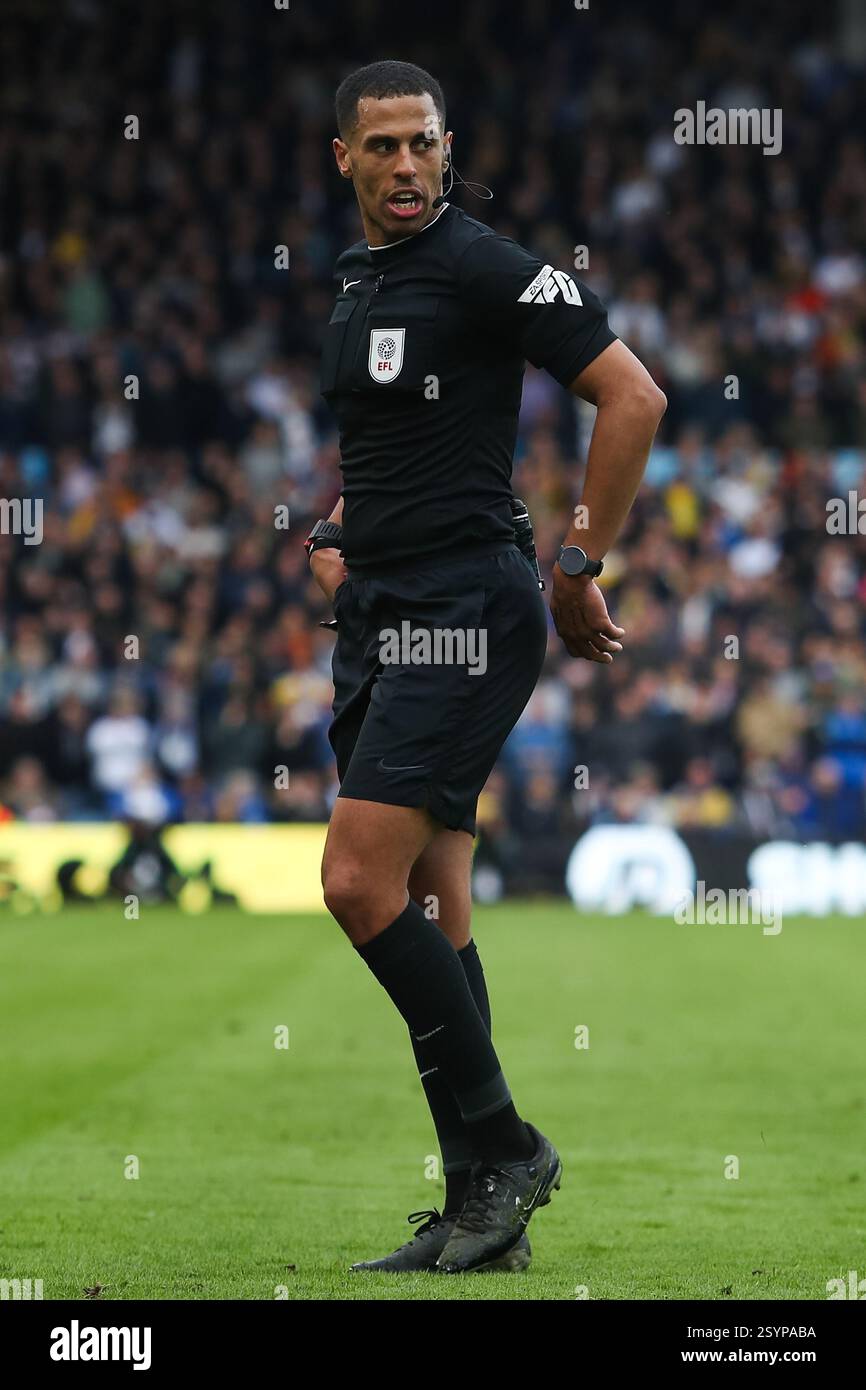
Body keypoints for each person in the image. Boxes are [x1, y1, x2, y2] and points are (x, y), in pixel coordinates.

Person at [306, 59, 666, 1274]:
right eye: (382, 148)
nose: (405, 166)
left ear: (446, 151)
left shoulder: (484, 263)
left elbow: (631, 397)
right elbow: (393, 451)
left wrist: (575, 564)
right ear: (341, 158)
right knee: (428, 906)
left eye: (423, 145)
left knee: (357, 882)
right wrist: (333, 537)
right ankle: (480, 1208)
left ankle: (508, 1145)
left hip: (464, 608)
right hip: (385, 609)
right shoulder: (359, 280)